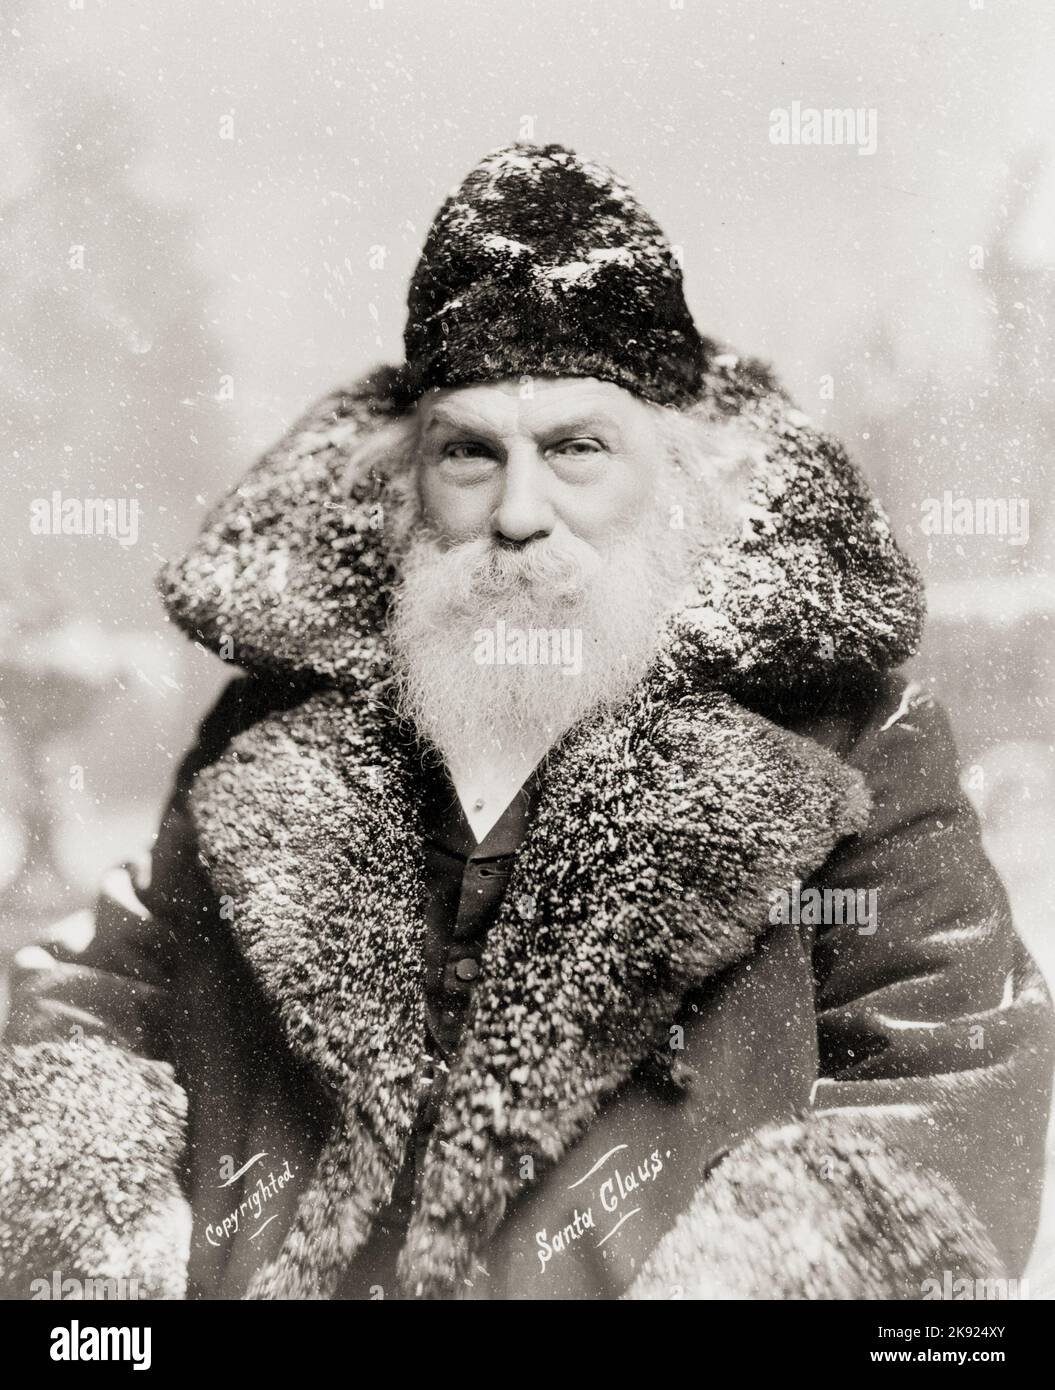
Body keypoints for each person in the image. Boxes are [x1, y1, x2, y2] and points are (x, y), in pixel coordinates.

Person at [2, 143, 1051, 1301]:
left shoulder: (845, 735)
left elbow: (953, 1071)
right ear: (413, 477)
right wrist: (100, 1246)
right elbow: (106, 992)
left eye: (573, 449)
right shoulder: (281, 727)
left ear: (675, 468)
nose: (516, 512)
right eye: (469, 453)